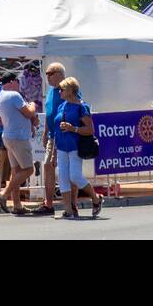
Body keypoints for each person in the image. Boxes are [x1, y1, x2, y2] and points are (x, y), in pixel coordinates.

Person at [52, 77, 103, 220]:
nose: (59, 92)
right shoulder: (61, 106)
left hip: (75, 147)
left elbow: (90, 129)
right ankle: (68, 210)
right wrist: (54, 152)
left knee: (74, 176)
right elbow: (56, 129)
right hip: (62, 146)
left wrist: (73, 128)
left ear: (70, 90)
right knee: (62, 178)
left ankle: (96, 198)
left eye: (62, 89)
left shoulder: (82, 107)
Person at [0, 71, 39, 215]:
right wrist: (33, 105)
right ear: (12, 81)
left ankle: (17, 205)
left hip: (9, 136)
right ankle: (4, 194)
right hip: (19, 138)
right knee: (29, 170)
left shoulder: (2, 95)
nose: (19, 85)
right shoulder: (14, 95)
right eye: (18, 82)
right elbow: (28, 112)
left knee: (17, 171)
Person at [38, 61, 66, 216]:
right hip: (51, 135)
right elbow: (49, 111)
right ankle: (48, 203)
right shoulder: (50, 90)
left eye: (50, 73)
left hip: (63, 135)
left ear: (59, 74)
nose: (47, 76)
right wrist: (45, 131)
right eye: (46, 73)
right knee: (48, 166)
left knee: (67, 169)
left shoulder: (66, 89)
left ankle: (71, 203)